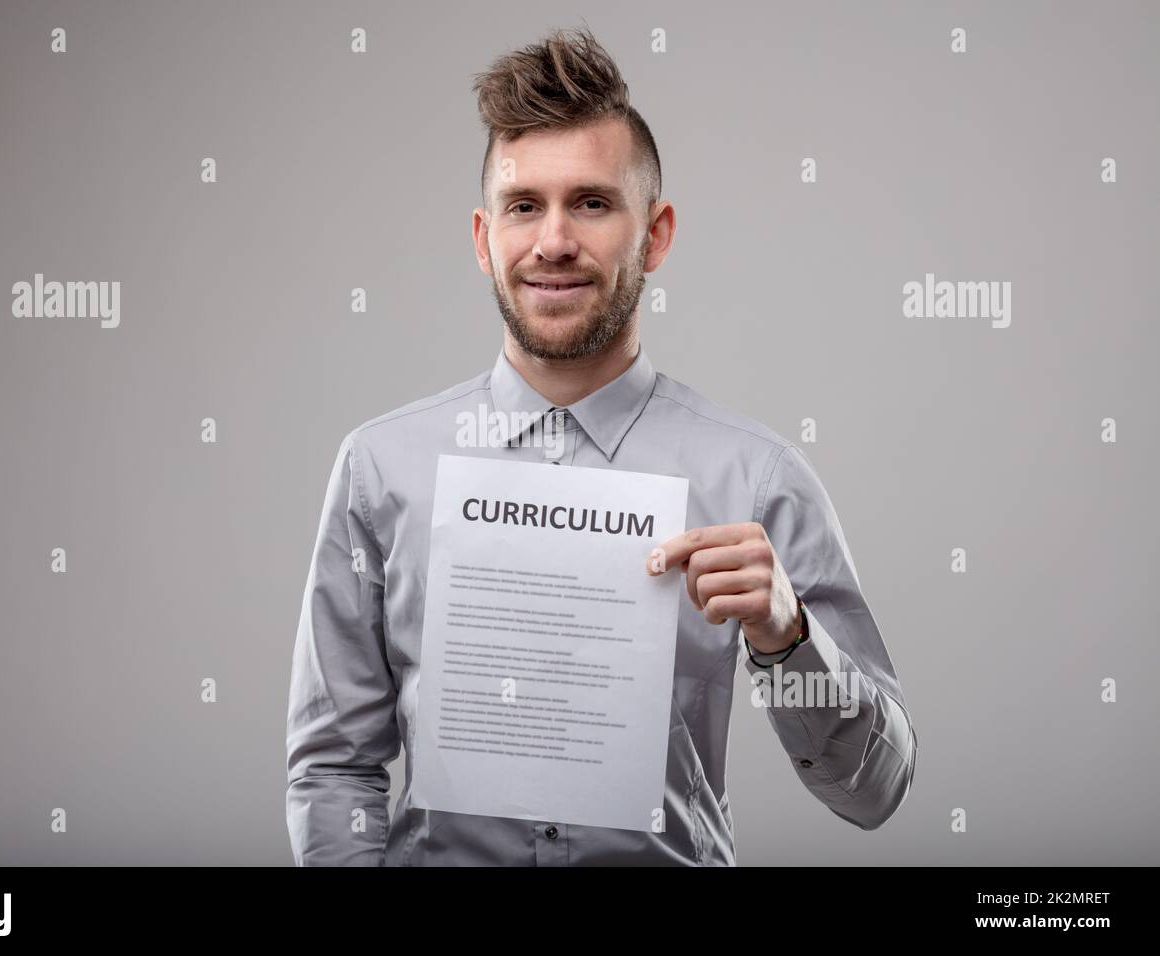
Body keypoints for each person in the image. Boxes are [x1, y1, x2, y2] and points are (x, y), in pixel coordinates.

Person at [286, 25, 916, 866]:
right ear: (484, 240)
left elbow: (875, 793)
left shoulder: (757, 481)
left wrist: (788, 634)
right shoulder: (379, 471)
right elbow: (333, 765)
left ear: (654, 235)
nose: (553, 241)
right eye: (523, 207)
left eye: (591, 202)